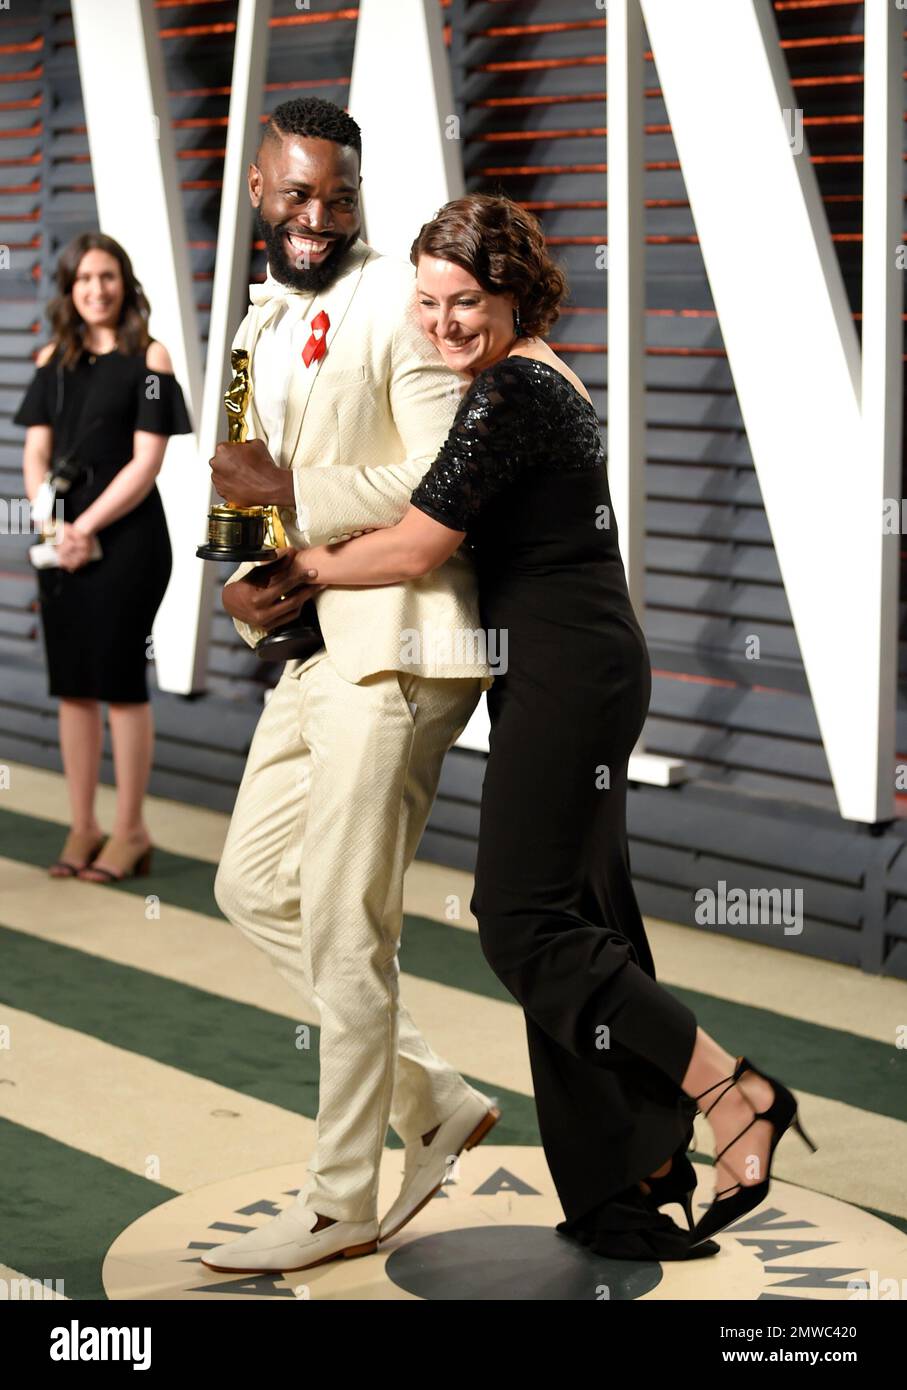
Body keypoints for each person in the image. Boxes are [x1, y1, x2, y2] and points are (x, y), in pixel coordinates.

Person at [272, 193, 819, 1259]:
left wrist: (301, 567)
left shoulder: (511, 391)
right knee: (586, 918)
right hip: (575, 662)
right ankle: (629, 1176)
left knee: (520, 920)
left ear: (515, 292)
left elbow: (417, 542)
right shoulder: (519, 378)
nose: (441, 324)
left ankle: (729, 1089)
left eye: (464, 300)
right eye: (426, 302)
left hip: (571, 668)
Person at [199, 98, 500, 1278]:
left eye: (338, 195)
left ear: (357, 197)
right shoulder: (255, 323)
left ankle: (341, 1203)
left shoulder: (402, 301)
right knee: (247, 883)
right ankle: (430, 1099)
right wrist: (237, 592)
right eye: (297, 194)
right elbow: (244, 499)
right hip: (313, 646)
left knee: (344, 924)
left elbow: (439, 476)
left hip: (402, 648)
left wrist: (299, 488)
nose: (317, 217)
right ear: (260, 194)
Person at [14, 232, 192, 884]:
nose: (97, 288)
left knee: (118, 683)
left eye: (108, 276)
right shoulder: (51, 357)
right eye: (85, 277)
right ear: (70, 289)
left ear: (125, 284)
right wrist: (50, 518)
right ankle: (83, 823)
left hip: (127, 543)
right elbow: (36, 453)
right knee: (73, 689)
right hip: (63, 545)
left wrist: (85, 526)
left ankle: (131, 831)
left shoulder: (151, 358)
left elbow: (146, 463)